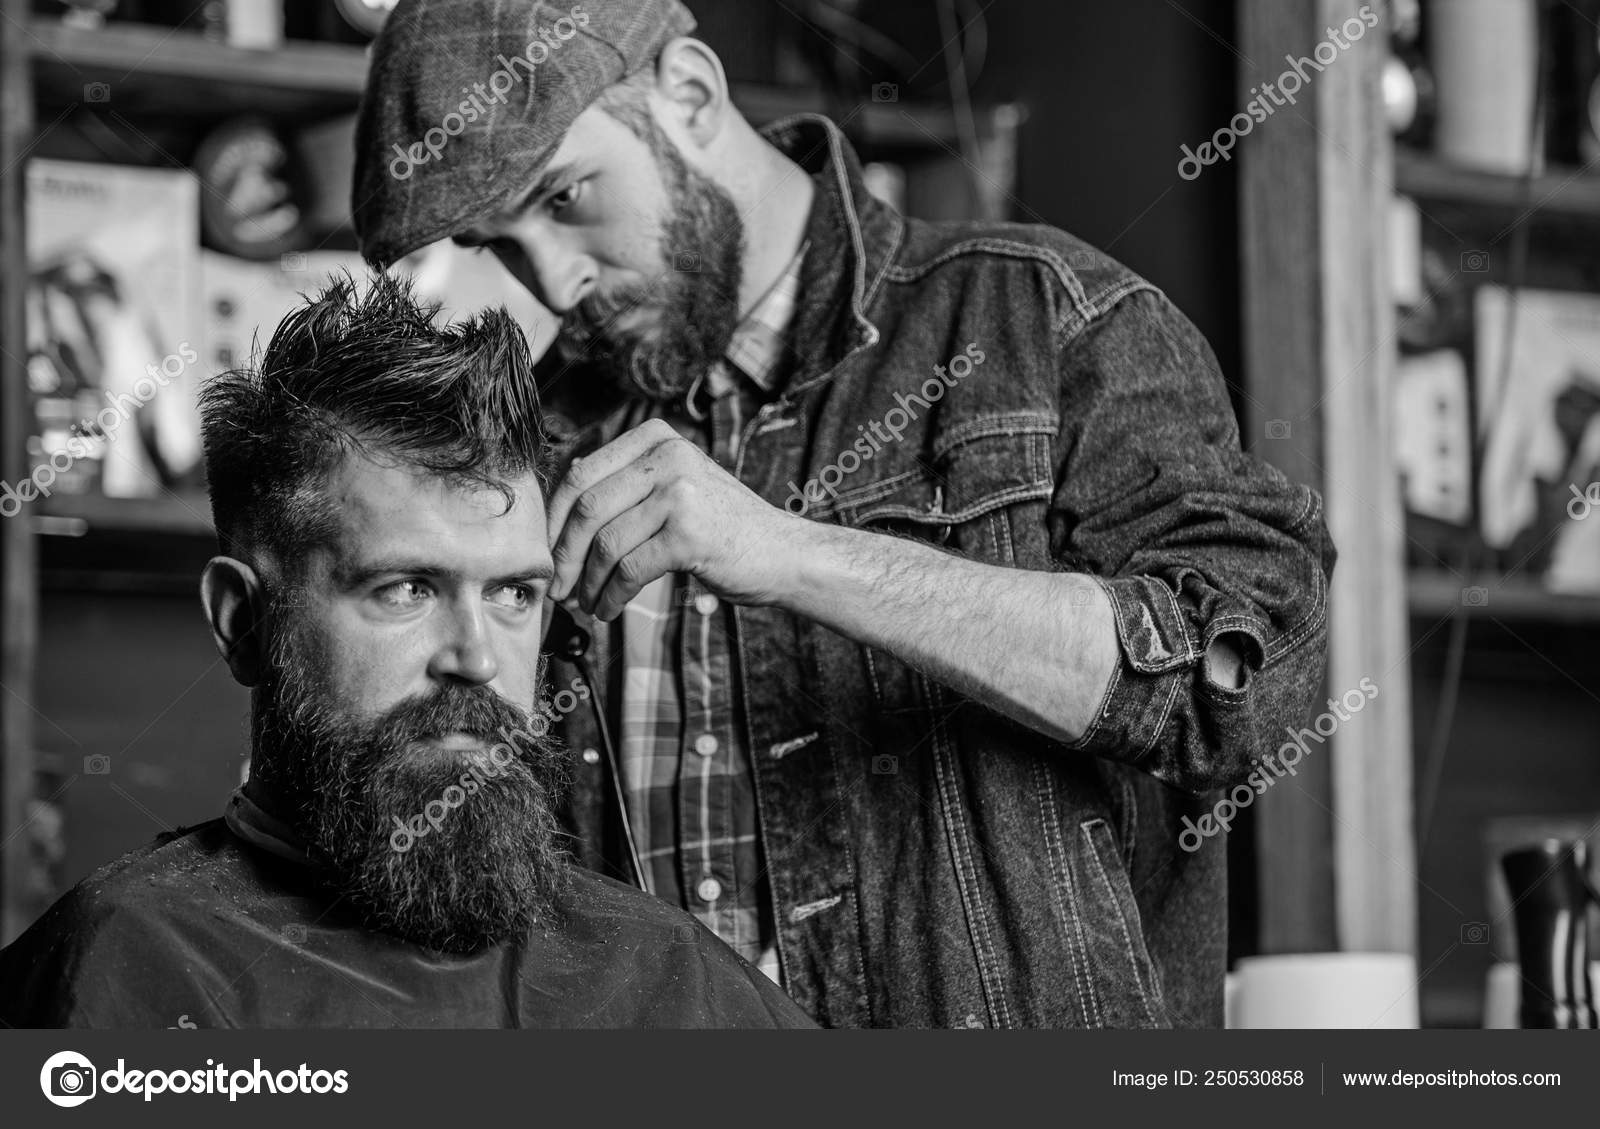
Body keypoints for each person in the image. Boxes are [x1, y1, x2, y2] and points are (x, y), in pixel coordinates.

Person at [352, 0, 1337, 1027]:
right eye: (500, 246)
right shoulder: (537, 435)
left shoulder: (1043, 319)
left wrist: (790, 555)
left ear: (689, 92)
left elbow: (1244, 688)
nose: (556, 282)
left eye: (564, 198)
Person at [0, 275, 815, 1030]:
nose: (477, 659)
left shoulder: (667, 976)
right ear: (243, 620)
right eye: (407, 589)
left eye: (513, 593)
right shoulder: (126, 966)